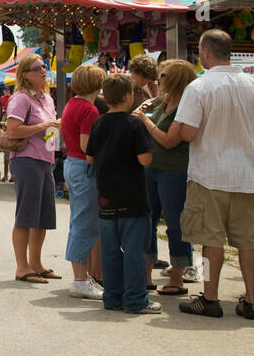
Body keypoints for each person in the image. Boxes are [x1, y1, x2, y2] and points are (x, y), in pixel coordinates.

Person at [173, 30, 254, 319]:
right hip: (247, 174)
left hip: (209, 174)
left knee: (210, 241)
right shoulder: (251, 83)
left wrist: (180, 128)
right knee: (248, 241)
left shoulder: (199, 87)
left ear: (206, 52)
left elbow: (189, 132)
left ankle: (210, 297)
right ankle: (252, 300)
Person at [85, 74, 159, 314]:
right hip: (133, 197)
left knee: (110, 250)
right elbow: (144, 159)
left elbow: (89, 155)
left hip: (107, 197)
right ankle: (136, 299)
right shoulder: (135, 123)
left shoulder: (99, 122)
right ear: (128, 97)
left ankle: (113, 296)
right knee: (134, 251)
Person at [134, 59, 198, 297]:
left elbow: (169, 141)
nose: (159, 78)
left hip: (174, 171)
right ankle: (147, 273)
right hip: (152, 168)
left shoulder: (186, 105)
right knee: (147, 222)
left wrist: (145, 120)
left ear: (177, 78)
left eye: (164, 75)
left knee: (175, 224)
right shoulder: (164, 101)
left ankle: (177, 276)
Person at [7, 53, 61, 284]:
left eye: (44, 66)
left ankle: (36, 263)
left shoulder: (47, 99)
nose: (43, 71)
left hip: (45, 158)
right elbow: (13, 130)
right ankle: (22, 267)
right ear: (26, 75)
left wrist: (54, 130)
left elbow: (50, 129)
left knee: (43, 216)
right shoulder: (20, 99)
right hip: (26, 159)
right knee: (26, 215)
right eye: (37, 68)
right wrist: (44, 125)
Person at [61, 64, 107, 299]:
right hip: (84, 166)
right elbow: (86, 145)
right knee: (85, 223)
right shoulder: (89, 109)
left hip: (72, 164)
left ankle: (81, 276)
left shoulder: (72, 104)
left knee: (79, 221)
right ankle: (80, 279)